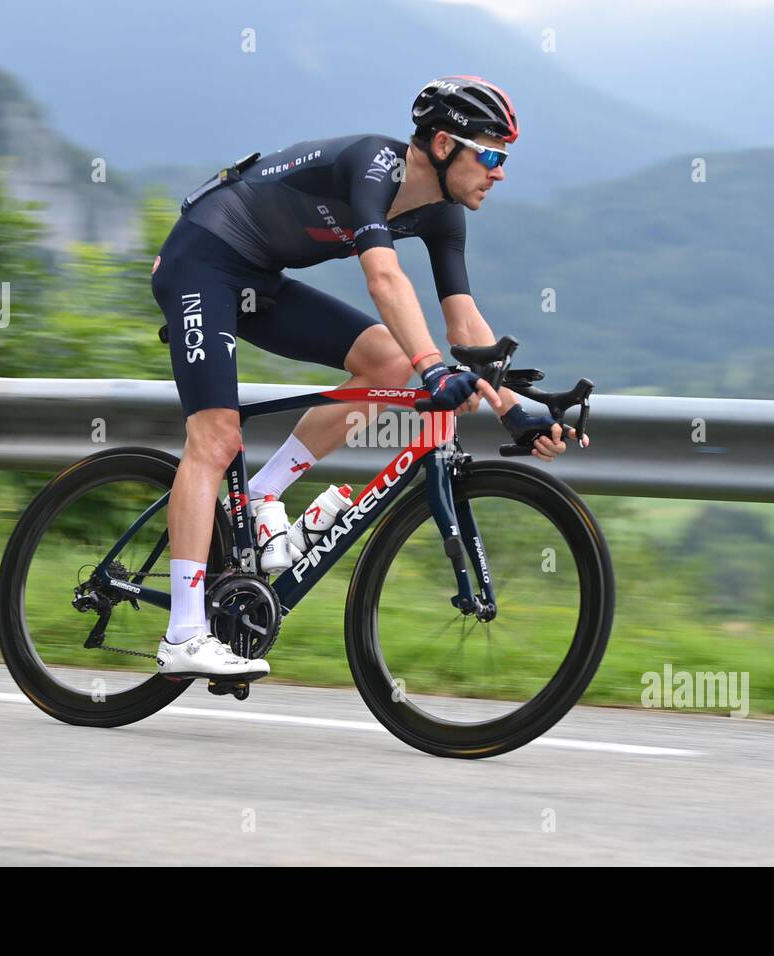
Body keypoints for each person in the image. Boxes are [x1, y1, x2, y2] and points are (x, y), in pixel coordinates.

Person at [150, 75, 579, 680]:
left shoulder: (443, 214)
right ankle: (184, 634)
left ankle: (266, 492)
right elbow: (384, 280)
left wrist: (516, 406)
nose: (499, 172)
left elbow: (464, 322)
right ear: (441, 145)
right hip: (202, 261)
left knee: (389, 363)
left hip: (259, 279)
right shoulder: (375, 167)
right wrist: (434, 369)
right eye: (491, 153)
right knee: (216, 439)